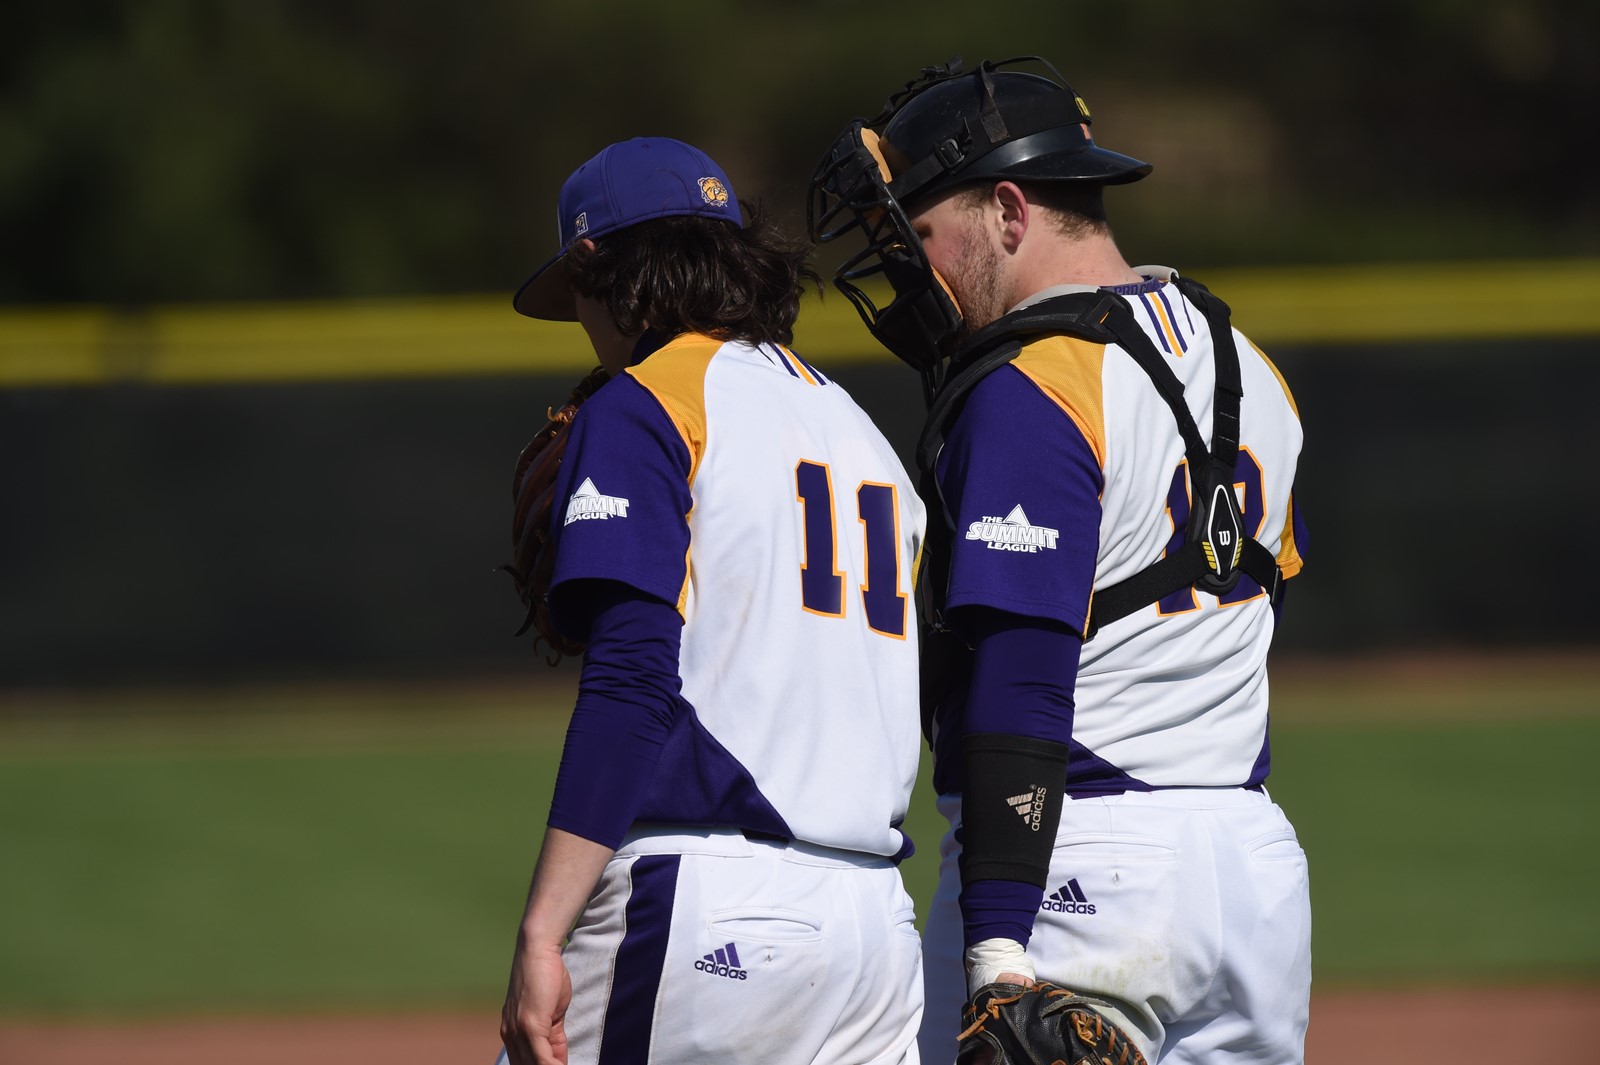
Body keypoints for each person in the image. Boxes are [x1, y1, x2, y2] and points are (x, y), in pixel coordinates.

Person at [809, 58, 1312, 1064]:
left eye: (917, 229)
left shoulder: (1034, 382)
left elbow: (1022, 678)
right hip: (1253, 874)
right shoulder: (1252, 367)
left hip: (1074, 867)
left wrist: (998, 939)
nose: (910, 265)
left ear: (1007, 209)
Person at [495, 136, 927, 1065]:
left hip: (709, 906)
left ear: (594, 264)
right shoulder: (858, 428)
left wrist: (542, 928)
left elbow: (631, 679)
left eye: (575, 297)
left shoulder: (645, 403)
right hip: (873, 929)